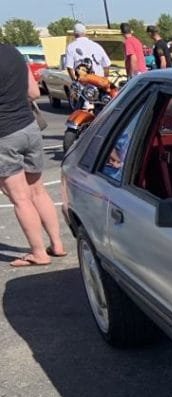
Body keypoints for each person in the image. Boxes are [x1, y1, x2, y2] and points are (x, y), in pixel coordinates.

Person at [0, 44, 67, 267]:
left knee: (20, 197)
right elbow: (34, 92)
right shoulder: (13, 52)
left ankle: (38, 253)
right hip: (29, 128)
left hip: (4, 134)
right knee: (38, 190)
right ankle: (57, 244)